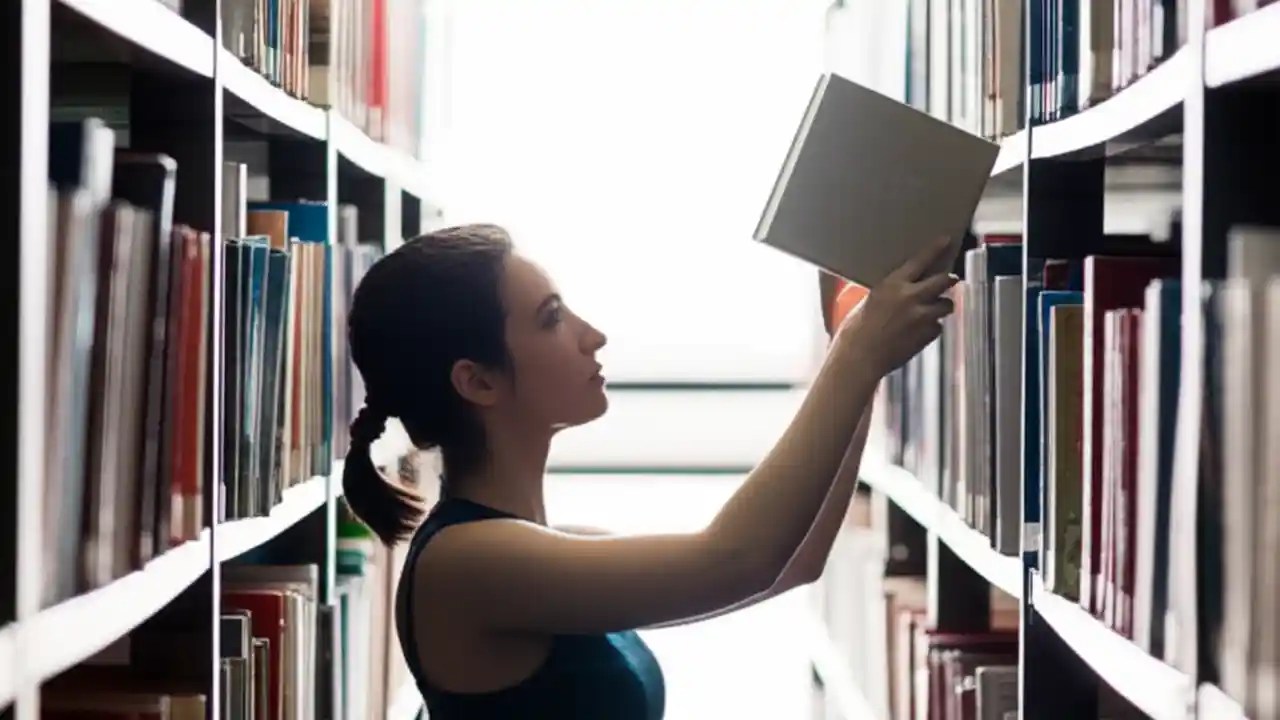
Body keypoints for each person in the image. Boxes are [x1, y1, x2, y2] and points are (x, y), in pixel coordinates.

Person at [342, 223, 958, 719]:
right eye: (552, 317)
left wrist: (860, 362)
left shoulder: (539, 548)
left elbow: (790, 563)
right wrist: (853, 355)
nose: (594, 335)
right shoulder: (468, 563)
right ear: (477, 380)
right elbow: (738, 558)